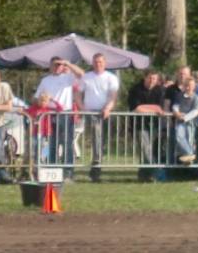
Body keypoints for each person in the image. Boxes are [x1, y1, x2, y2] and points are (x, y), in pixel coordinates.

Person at [77, 52, 122, 181]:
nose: (98, 64)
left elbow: (113, 95)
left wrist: (107, 108)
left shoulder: (111, 77)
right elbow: (78, 94)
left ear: (105, 63)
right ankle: (92, 170)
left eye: (100, 62)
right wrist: (82, 108)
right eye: (96, 62)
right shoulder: (86, 77)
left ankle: (96, 169)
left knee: (100, 142)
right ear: (92, 63)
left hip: (103, 113)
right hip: (89, 112)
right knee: (92, 141)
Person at [34, 56, 81, 171]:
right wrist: (42, 101)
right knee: (51, 143)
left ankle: (67, 172)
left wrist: (67, 63)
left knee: (66, 143)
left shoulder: (68, 78)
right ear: (50, 66)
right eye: (54, 64)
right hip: (49, 114)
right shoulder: (45, 80)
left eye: (59, 65)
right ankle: (52, 169)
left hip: (65, 114)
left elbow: (81, 74)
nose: (57, 67)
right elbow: (36, 98)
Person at [126, 69, 168, 180]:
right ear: (144, 77)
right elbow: (137, 108)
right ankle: (157, 173)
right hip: (139, 124)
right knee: (146, 149)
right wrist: (152, 108)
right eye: (150, 78)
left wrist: (146, 108)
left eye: (154, 78)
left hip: (154, 124)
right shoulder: (135, 89)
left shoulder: (159, 90)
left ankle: (143, 175)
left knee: (151, 150)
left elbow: (160, 108)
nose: (152, 80)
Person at [165, 68, 198, 173]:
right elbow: (175, 106)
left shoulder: (196, 97)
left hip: (191, 122)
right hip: (179, 121)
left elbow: (195, 111)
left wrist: (185, 118)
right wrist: (177, 114)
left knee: (190, 139)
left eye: (191, 85)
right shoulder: (179, 95)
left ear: (194, 86)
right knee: (179, 137)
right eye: (187, 85)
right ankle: (189, 153)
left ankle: (189, 157)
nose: (189, 87)